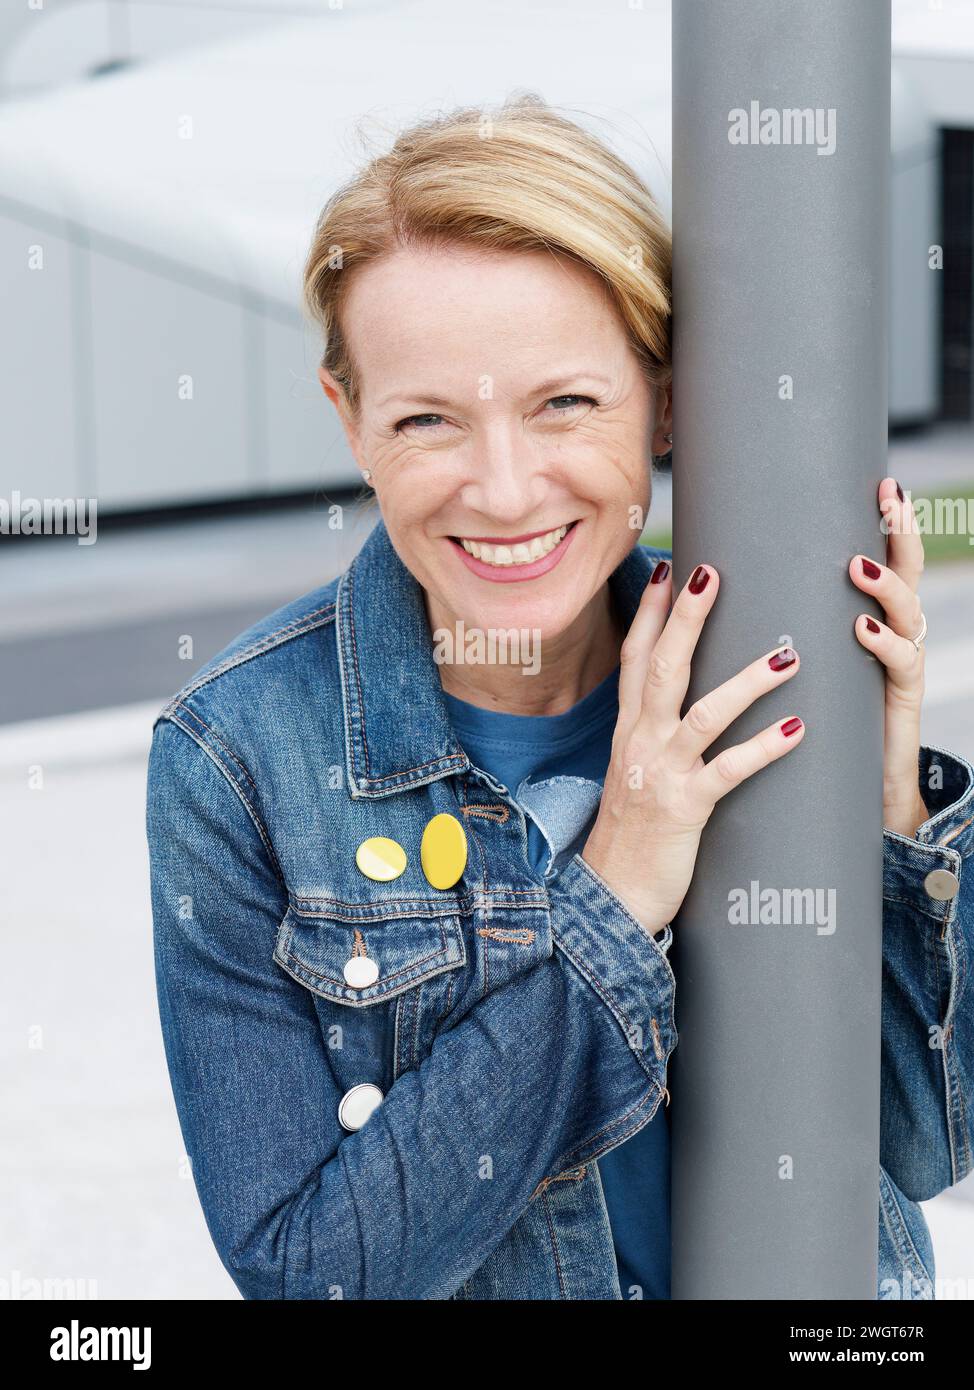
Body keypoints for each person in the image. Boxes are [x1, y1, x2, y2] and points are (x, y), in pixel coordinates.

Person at [146, 93, 973, 1300]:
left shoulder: (760, 672)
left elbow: (919, 1143)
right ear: (350, 423)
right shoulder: (237, 763)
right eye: (427, 418)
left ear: (668, 395)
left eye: (563, 404)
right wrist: (615, 893)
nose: (502, 488)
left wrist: (888, 799)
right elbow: (312, 1274)